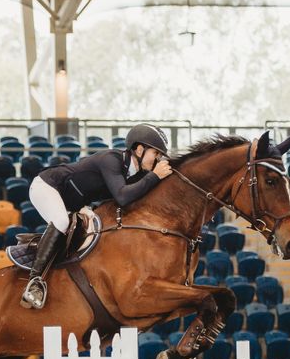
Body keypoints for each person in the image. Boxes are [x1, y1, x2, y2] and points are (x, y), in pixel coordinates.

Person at [20, 123, 174, 309]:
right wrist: (154, 176)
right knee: (61, 221)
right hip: (48, 186)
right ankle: (34, 282)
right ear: (140, 149)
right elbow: (123, 197)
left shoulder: (136, 173)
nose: (157, 159)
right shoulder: (112, 159)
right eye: (156, 153)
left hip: (73, 202)